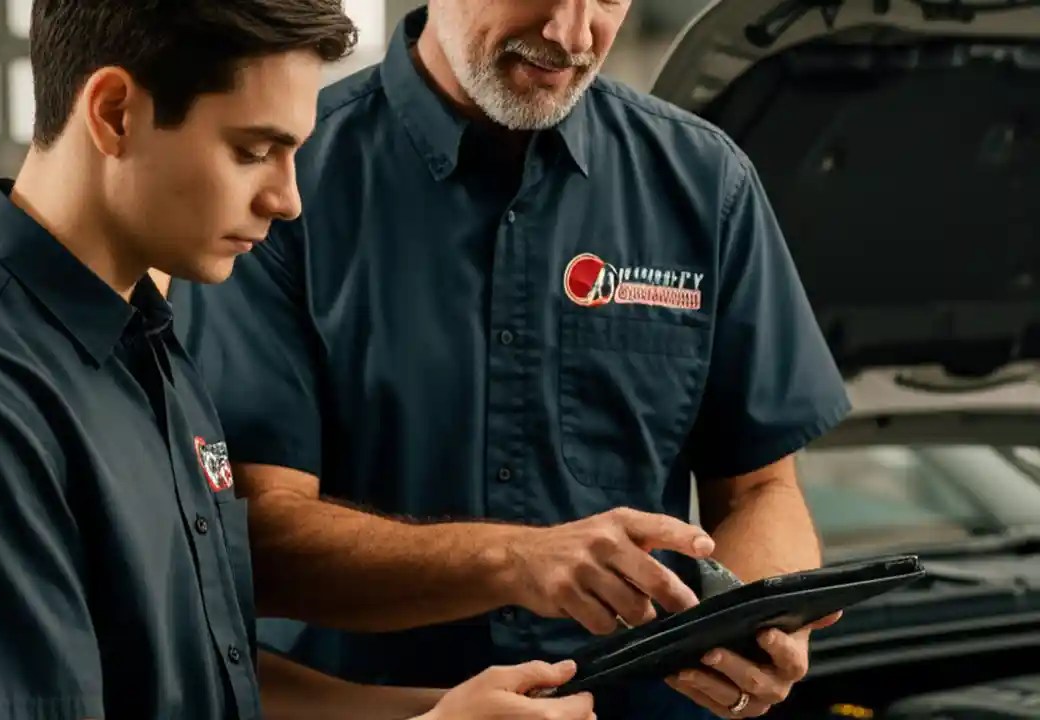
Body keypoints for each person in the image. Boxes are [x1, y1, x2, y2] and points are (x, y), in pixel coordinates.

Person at [0, 2, 600, 719]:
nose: (287, 198)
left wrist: (429, 711)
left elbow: (203, 677)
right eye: (255, 151)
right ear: (115, 113)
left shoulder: (145, 352)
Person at [170, 1, 850, 718]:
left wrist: (755, 618)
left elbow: (760, 490)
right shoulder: (277, 183)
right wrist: (516, 561)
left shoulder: (707, 183)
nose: (573, 35)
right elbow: (252, 537)